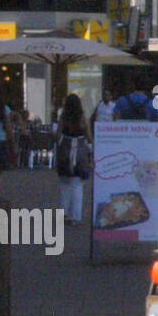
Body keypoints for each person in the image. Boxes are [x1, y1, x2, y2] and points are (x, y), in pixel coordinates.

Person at [55, 94, 91, 225]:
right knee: (77, 185)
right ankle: (75, 216)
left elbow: (58, 136)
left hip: (66, 150)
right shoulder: (83, 119)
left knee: (64, 185)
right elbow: (89, 138)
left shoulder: (64, 118)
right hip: (80, 152)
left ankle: (63, 213)